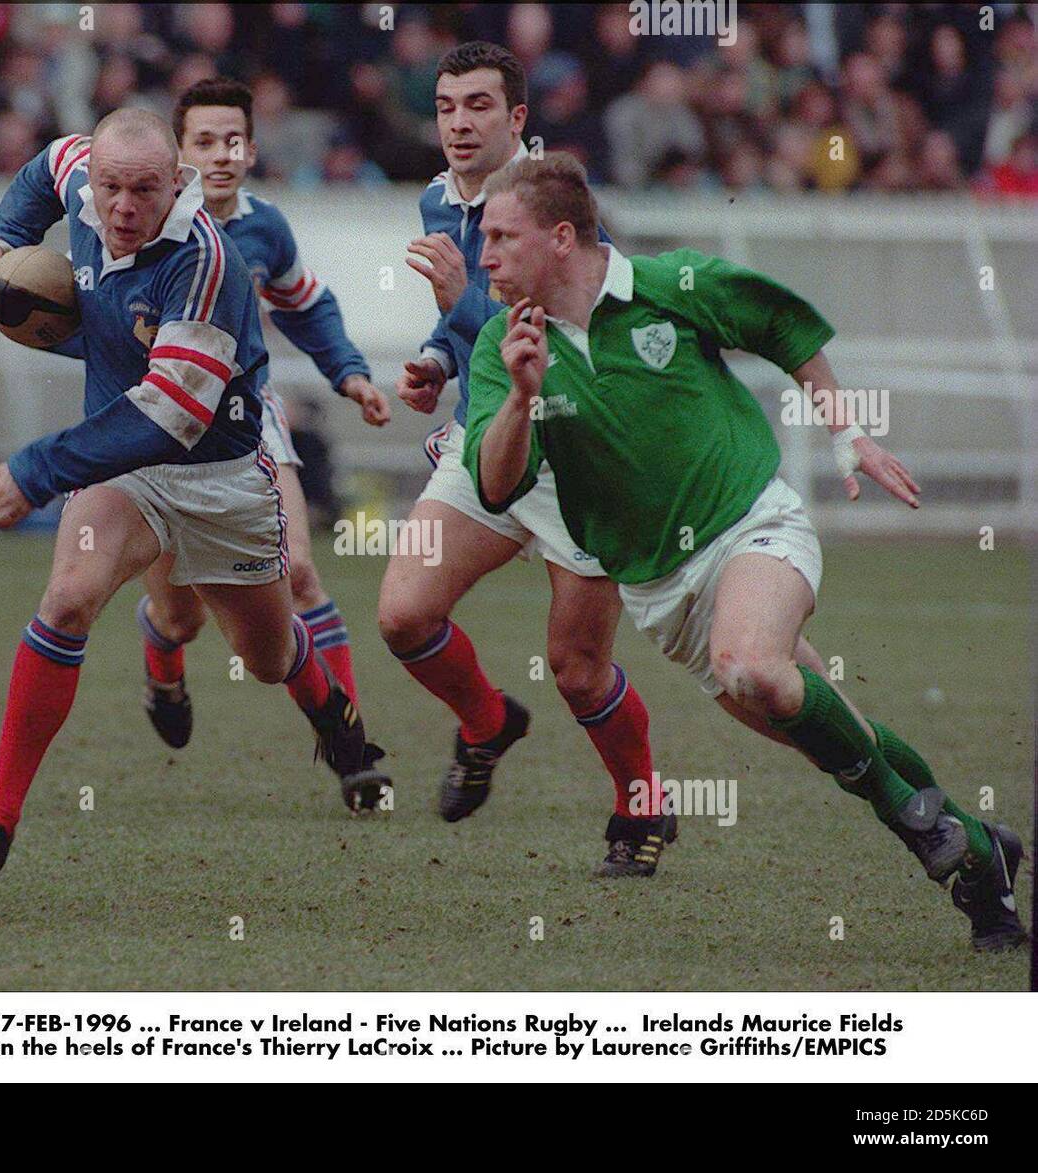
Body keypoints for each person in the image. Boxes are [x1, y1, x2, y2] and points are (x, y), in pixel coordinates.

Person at [464, 151, 1025, 951]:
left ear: (560, 237)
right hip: (658, 590)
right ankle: (977, 852)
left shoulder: (671, 285)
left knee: (752, 666)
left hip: (752, 525)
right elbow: (495, 481)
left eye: (500, 236)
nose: (482, 254)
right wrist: (522, 395)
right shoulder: (500, 347)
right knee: (833, 730)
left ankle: (915, 822)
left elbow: (782, 325)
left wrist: (847, 431)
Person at [0, 109, 391, 879]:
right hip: (125, 471)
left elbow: (168, 416)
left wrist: (36, 470)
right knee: (68, 600)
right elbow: (47, 164)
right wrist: (1, 243)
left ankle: (330, 711)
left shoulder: (206, 262)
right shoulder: (82, 176)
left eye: (144, 190)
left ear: (178, 183)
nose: (122, 207)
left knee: (267, 654)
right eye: (110, 187)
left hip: (220, 479)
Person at [375, 42, 669, 877]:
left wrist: (458, 304)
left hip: (573, 454)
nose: (459, 123)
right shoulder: (440, 200)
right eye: (445, 106)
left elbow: (576, 337)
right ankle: (487, 721)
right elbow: (481, 321)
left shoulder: (558, 208)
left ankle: (641, 803)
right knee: (404, 615)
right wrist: (438, 356)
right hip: (489, 439)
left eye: (477, 106)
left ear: (517, 119)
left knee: (578, 671)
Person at [133, 76, 391, 755]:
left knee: (301, 573)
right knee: (181, 615)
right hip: (156, 430)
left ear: (251, 148)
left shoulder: (264, 227)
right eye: (204, 141)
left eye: (234, 140)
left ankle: (348, 740)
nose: (221, 154)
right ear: (177, 150)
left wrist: (351, 374)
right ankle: (163, 664)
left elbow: (305, 304)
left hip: (249, 417)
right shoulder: (141, 220)